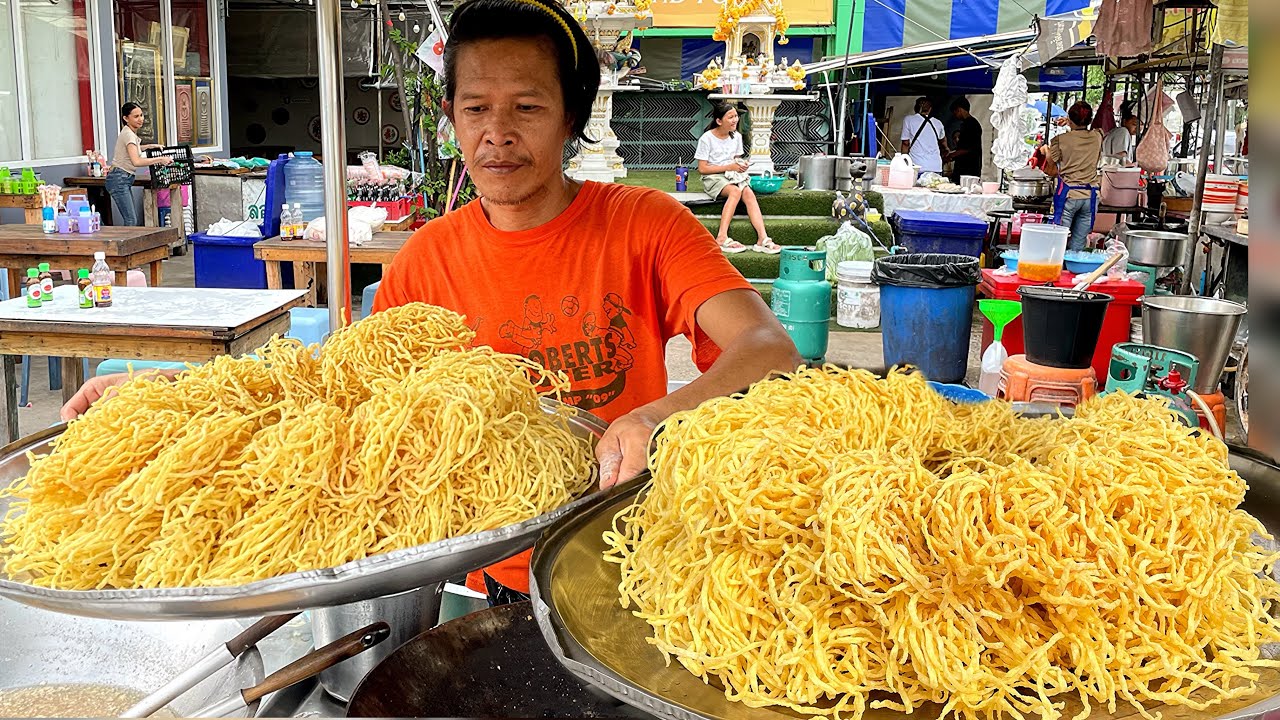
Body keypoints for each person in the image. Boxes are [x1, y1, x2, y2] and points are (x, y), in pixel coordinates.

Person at [63, 0, 802, 606]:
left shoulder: (644, 225)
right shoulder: (428, 256)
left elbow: (769, 350)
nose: (497, 134)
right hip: (483, 569)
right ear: (452, 115)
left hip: (622, 558)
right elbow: (327, 392)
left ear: (573, 115)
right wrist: (167, 398)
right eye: (475, 108)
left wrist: (655, 416)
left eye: (527, 107)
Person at [694, 103, 780, 254]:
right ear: (719, 121)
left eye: (736, 116)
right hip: (713, 177)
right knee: (735, 192)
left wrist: (741, 165)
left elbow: (736, 159)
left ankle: (762, 238)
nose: (735, 120)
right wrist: (730, 167)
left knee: (748, 193)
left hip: (732, 175)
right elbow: (702, 169)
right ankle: (721, 237)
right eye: (730, 117)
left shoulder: (737, 137)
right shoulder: (707, 139)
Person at [1044, 101, 1103, 251]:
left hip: (1069, 195)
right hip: (1090, 196)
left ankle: (1057, 265)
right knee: (1078, 245)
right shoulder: (1097, 136)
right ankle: (1074, 265)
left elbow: (1051, 164)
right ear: (1090, 119)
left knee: (1058, 243)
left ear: (1070, 119)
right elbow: (1094, 128)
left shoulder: (1060, 140)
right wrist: (1071, 121)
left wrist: (1046, 151)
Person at [106, 103, 173, 226]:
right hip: (120, 178)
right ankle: (127, 239)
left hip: (121, 177)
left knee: (131, 219)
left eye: (141, 115)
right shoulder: (129, 135)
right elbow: (136, 161)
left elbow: (132, 149)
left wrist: (149, 146)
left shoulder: (128, 133)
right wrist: (160, 159)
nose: (141, 119)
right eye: (136, 116)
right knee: (131, 220)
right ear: (126, 118)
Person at [899, 97, 947, 174]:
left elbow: (905, 143)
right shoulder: (938, 123)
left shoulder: (909, 120)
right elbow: (943, 141)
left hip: (917, 166)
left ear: (915, 108)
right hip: (936, 166)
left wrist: (904, 159)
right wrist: (947, 148)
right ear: (930, 109)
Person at [944, 97, 983, 183]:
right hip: (967, 167)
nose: (955, 116)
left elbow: (968, 148)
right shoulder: (969, 123)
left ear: (959, 110)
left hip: (968, 168)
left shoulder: (971, 124)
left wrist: (951, 155)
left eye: (955, 113)